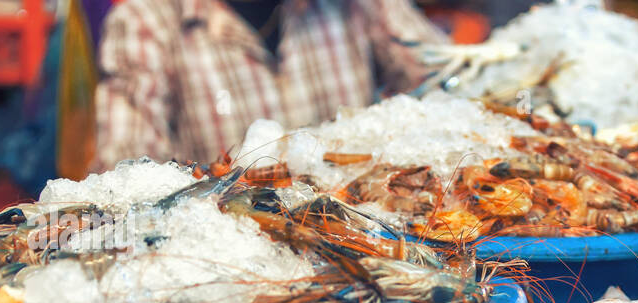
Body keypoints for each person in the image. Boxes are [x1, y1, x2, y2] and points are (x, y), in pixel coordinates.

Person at [93, 0, 447, 170]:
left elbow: (450, 85)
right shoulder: (146, 21)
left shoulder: (358, 5)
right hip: (235, 264)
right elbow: (126, 174)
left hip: (365, 232)